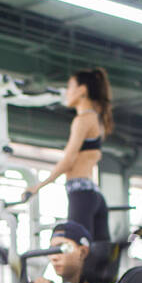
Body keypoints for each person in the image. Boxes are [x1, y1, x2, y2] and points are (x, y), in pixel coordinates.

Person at [21, 68, 114, 241]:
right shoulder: (97, 120)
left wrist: (38, 186)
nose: (67, 92)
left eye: (70, 87)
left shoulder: (83, 120)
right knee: (95, 255)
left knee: (76, 251)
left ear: (82, 90)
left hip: (80, 193)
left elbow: (69, 160)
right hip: (93, 194)